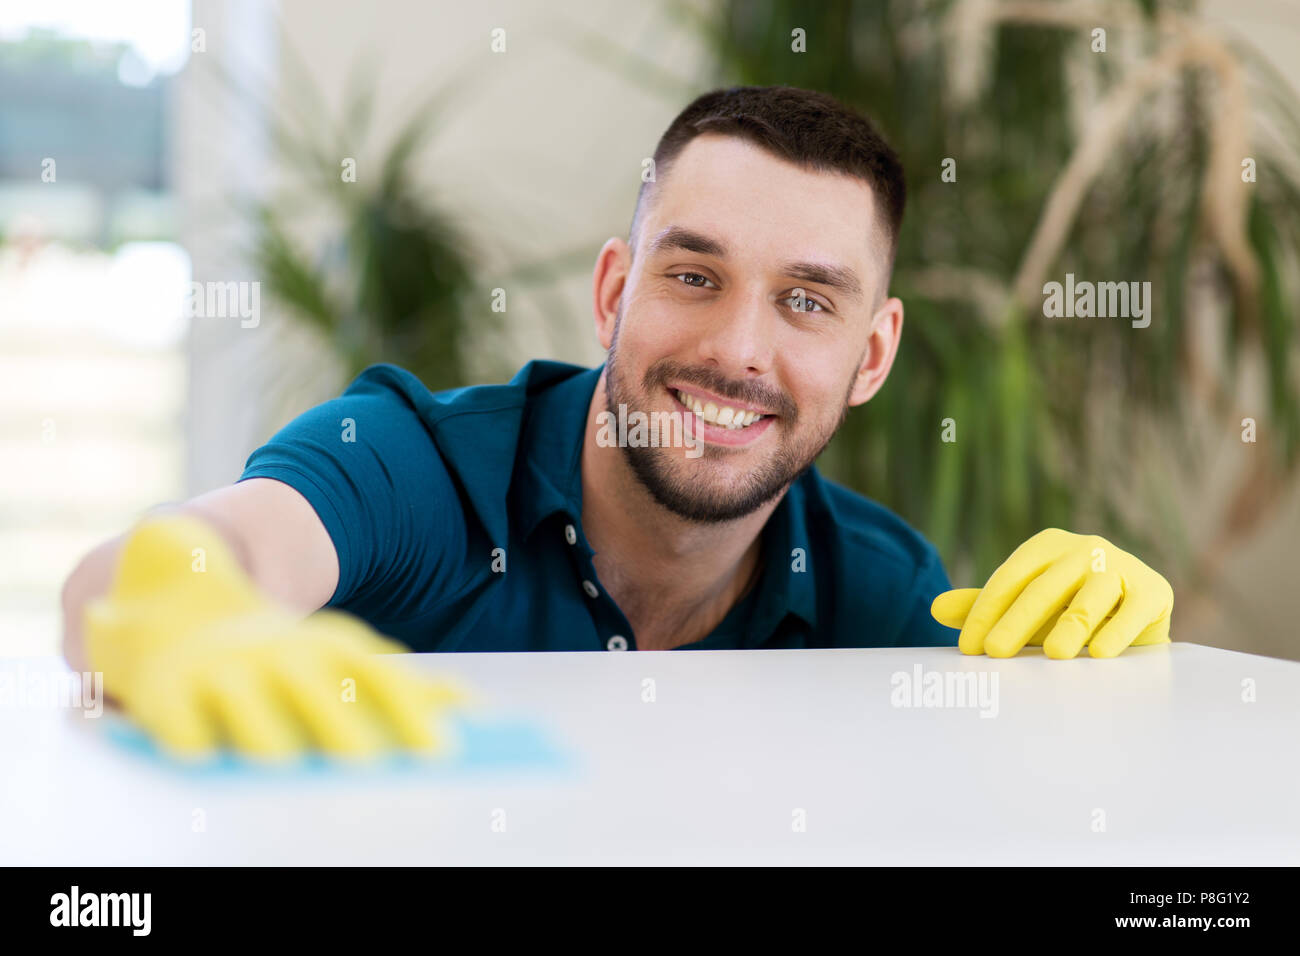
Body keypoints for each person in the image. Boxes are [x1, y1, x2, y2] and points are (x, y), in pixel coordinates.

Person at [60, 86, 1173, 756]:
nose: (739, 348)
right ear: (611, 293)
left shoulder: (878, 592)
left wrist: (1109, 682)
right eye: (693, 276)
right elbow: (189, 559)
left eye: (804, 300)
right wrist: (178, 604)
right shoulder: (416, 463)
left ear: (870, 354)